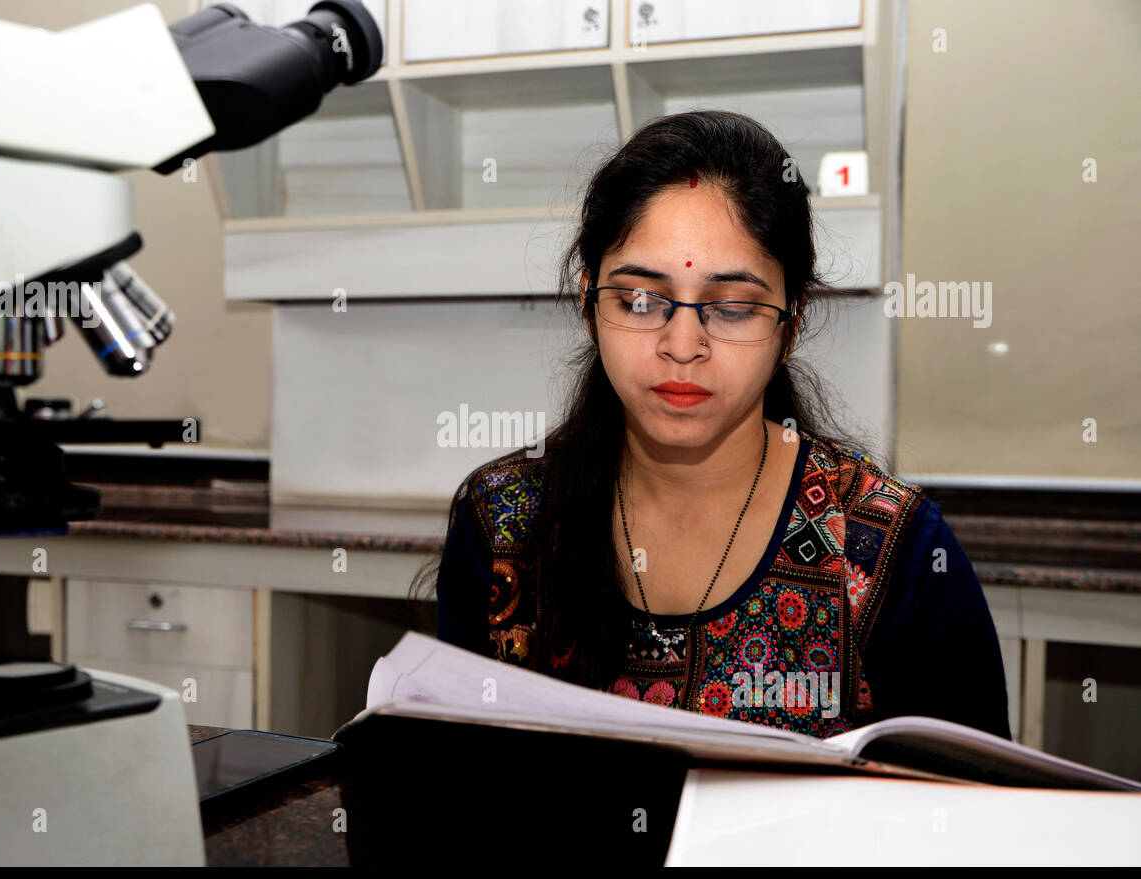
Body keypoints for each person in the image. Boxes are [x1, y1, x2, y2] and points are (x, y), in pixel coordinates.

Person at [410, 110, 1011, 741]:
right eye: (640, 299)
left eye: (732, 307)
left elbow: (971, 816)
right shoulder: (507, 523)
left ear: (790, 322)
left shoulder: (890, 549)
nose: (682, 343)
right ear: (589, 304)